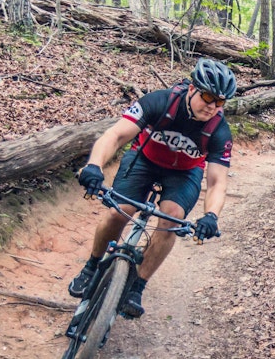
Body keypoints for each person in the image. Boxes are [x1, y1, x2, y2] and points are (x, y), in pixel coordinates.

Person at [70, 58, 237, 318]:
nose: (212, 106)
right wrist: (94, 165)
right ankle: (92, 265)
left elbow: (217, 181)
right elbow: (115, 135)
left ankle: (137, 286)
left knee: (171, 218)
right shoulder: (159, 101)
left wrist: (211, 215)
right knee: (119, 210)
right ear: (192, 88)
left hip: (184, 172)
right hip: (144, 160)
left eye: (220, 102)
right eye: (207, 96)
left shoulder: (219, 131)